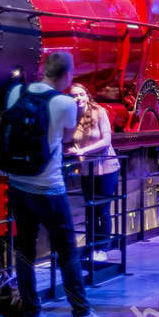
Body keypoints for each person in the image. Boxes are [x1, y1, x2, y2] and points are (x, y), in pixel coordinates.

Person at [3, 52, 111, 317]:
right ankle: (82, 314)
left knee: (24, 249)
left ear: (44, 70)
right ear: (67, 75)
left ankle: (31, 314)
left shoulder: (16, 92)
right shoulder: (65, 103)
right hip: (48, 186)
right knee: (67, 250)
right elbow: (66, 137)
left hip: (17, 183)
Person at [68, 84, 120, 262]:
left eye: (81, 94)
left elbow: (106, 140)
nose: (78, 98)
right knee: (90, 210)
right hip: (86, 169)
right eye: (74, 96)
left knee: (102, 210)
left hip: (106, 167)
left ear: (87, 95)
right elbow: (68, 140)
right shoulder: (71, 117)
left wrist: (83, 151)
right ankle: (90, 247)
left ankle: (102, 248)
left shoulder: (99, 112)